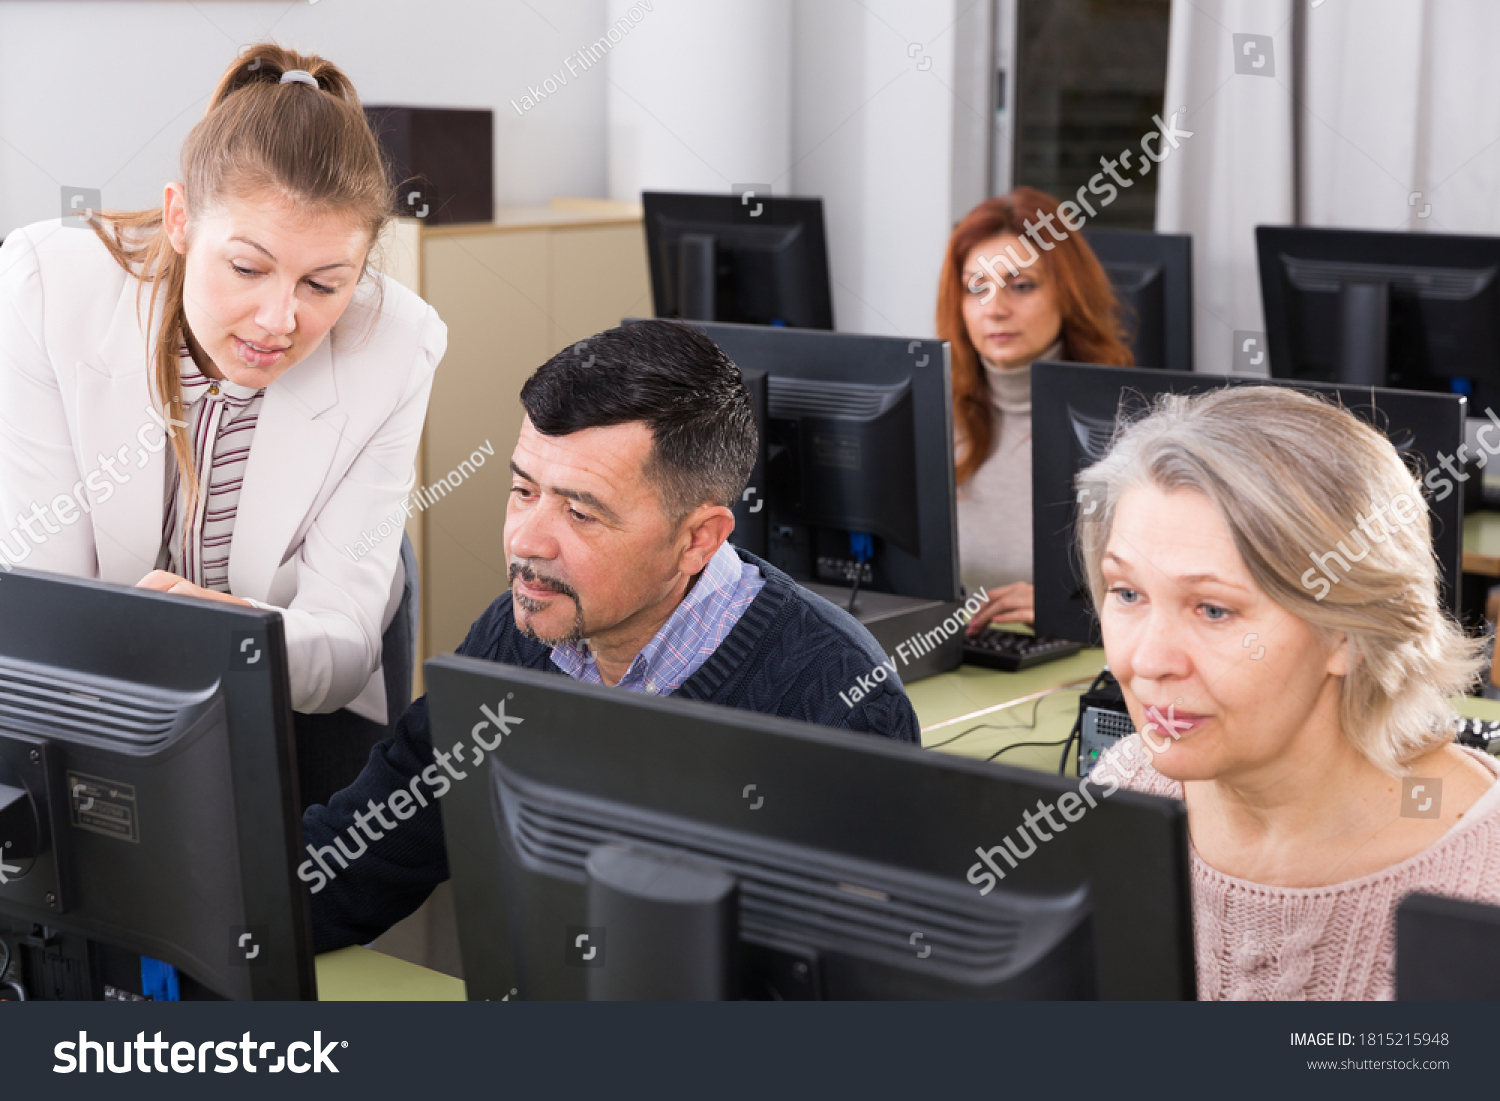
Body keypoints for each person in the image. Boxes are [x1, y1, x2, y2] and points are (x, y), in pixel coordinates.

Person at [301, 320, 921, 950]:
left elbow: (857, 981)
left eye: (580, 512)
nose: (525, 540)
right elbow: (358, 857)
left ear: (698, 539)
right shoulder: (513, 638)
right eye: (522, 490)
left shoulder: (836, 699)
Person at [0, 45, 445, 806]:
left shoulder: (398, 345)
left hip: (295, 684)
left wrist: (225, 634)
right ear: (179, 218)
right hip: (93, 685)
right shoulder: (48, 284)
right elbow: (51, 611)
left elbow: (338, 649)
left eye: (324, 282)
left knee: (299, 901)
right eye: (247, 268)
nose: (280, 320)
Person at [1077, 385, 1500, 1000]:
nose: (1146, 661)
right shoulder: (1129, 789)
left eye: (1214, 610)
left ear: (1348, 633)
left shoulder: (1480, 880)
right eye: (1127, 594)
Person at [935, 188, 1132, 635]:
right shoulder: (931, 417)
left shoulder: (1125, 424)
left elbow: (1163, 594)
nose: (995, 309)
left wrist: (1071, 607)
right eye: (976, 288)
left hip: (1066, 669)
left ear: (1068, 294)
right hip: (955, 661)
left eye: (1021, 286)